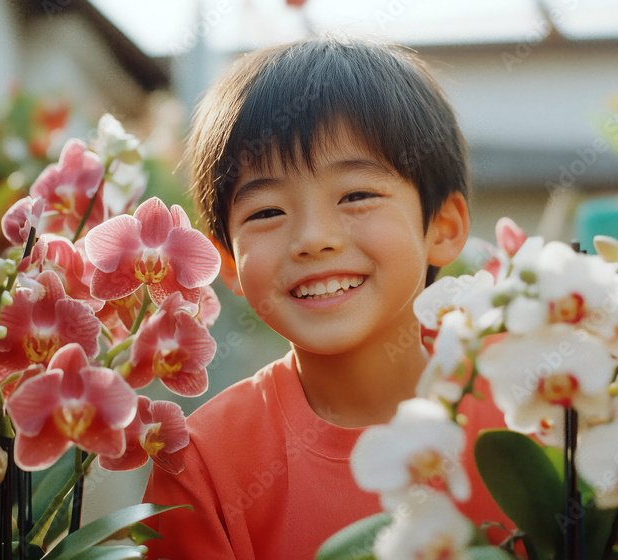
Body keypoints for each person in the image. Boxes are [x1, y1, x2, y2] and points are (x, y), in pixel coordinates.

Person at [142, 34, 514, 559]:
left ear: (444, 227)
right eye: (267, 211)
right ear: (226, 262)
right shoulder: (202, 461)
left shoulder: (534, 411)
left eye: (357, 195)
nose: (314, 237)